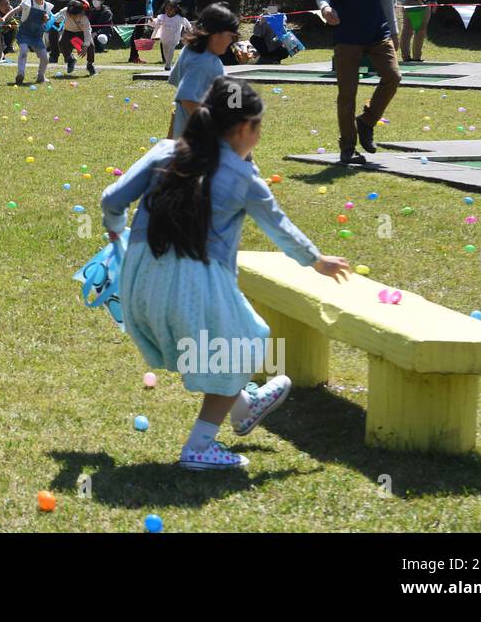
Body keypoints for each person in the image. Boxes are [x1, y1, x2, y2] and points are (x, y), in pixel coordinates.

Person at [101, 77, 350, 471]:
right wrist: (318, 261)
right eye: (259, 128)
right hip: (194, 282)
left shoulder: (166, 151)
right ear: (242, 129)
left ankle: (245, 406)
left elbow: (112, 199)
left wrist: (115, 225)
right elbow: (280, 228)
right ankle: (200, 446)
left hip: (141, 280)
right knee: (246, 344)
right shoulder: (243, 178)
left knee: (214, 343)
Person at [315, 0, 401, 165]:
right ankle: (347, 147)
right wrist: (325, 8)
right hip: (347, 34)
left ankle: (366, 121)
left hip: (378, 31)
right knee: (346, 94)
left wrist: (395, 31)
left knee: (393, 76)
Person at [168, 3, 241, 138]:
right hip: (200, 145)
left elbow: (179, 85)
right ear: (215, 34)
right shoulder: (203, 61)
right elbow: (187, 98)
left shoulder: (190, 50)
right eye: (231, 35)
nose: (232, 41)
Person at [0, 0, 53, 85]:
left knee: (45, 58)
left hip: (37, 36)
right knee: (23, 51)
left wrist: (45, 19)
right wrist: (4, 17)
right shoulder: (27, 2)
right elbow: (15, 10)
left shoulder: (47, 6)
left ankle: (41, 76)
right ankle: (20, 74)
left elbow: (46, 20)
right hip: (24, 34)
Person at [52, 0, 95, 76]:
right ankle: (70, 59)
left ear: (81, 12)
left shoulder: (84, 17)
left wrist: (85, 46)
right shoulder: (64, 12)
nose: (72, 16)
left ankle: (90, 65)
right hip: (68, 31)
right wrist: (48, 18)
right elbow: (55, 18)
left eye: (75, 15)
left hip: (81, 32)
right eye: (70, 14)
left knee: (91, 46)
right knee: (61, 43)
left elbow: (87, 32)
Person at [153, 0, 190, 70]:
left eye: (170, 9)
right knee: (165, 51)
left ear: (175, 9)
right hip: (164, 38)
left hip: (174, 38)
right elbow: (156, 23)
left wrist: (190, 29)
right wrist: (152, 21)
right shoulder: (162, 17)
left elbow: (187, 24)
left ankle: (168, 65)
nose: (168, 11)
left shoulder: (179, 18)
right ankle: (168, 61)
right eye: (166, 9)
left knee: (171, 50)